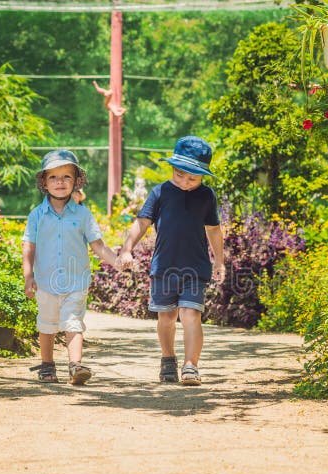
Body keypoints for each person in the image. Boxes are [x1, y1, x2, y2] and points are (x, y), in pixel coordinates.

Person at [117, 136, 225, 386]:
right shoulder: (160, 192)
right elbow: (142, 222)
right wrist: (126, 249)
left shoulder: (207, 196)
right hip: (164, 268)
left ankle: (191, 366)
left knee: (190, 314)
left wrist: (219, 261)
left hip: (195, 268)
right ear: (172, 168)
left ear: (203, 176)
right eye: (180, 175)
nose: (185, 182)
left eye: (193, 178)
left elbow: (214, 229)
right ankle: (168, 359)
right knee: (166, 318)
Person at [23, 150, 117, 384]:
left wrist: (117, 261)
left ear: (76, 182)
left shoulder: (83, 214)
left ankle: (76, 366)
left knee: (73, 322)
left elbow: (97, 245)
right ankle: (47, 365)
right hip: (45, 281)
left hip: (76, 281)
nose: (60, 182)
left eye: (66, 177)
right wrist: (28, 276)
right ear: (44, 183)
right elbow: (29, 247)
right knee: (47, 324)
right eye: (53, 177)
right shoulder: (37, 215)